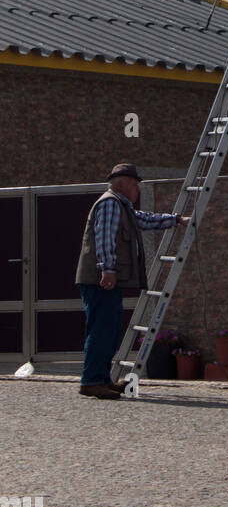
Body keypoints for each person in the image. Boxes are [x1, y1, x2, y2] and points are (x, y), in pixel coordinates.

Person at [75, 164, 190, 400]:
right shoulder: (109, 203)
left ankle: (101, 379)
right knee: (101, 330)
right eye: (135, 183)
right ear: (122, 182)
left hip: (106, 281)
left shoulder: (121, 207)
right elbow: (105, 237)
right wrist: (107, 270)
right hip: (100, 281)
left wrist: (175, 220)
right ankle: (92, 381)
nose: (138, 188)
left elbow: (144, 220)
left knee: (108, 330)